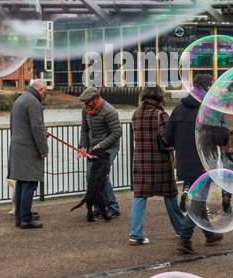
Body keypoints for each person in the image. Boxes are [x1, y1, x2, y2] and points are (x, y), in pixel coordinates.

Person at [162, 72, 225, 253]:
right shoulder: (209, 111)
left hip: (184, 163)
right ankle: (184, 239)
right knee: (197, 203)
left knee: (196, 199)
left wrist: (181, 148)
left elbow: (167, 137)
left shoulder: (178, 109)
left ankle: (209, 235)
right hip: (203, 163)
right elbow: (222, 138)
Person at [128, 86, 190, 246]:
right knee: (170, 196)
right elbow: (166, 138)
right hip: (160, 162)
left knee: (139, 197)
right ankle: (181, 228)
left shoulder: (136, 114)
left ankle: (136, 234)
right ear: (159, 97)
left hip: (141, 162)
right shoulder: (160, 115)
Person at [9, 79, 49, 229]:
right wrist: (44, 149)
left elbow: (15, 125)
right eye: (45, 91)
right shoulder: (33, 103)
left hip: (18, 147)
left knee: (21, 183)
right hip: (29, 149)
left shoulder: (20, 99)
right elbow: (37, 128)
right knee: (30, 183)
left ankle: (19, 217)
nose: (45, 94)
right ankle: (26, 219)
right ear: (40, 89)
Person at [78, 87, 121, 220]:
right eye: (84, 102)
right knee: (90, 176)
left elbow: (117, 133)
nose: (86, 104)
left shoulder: (109, 111)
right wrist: (83, 146)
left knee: (101, 176)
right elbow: (84, 130)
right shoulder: (85, 110)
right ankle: (98, 207)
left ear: (96, 99)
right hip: (93, 148)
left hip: (109, 148)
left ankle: (113, 208)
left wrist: (100, 145)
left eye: (88, 102)